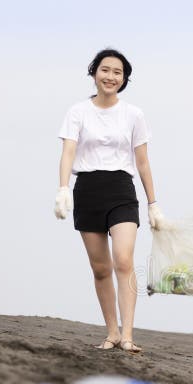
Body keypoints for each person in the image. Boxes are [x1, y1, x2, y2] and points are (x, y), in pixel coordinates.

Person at [53, 48, 165, 354]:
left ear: (124, 79)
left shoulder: (133, 114)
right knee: (100, 268)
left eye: (118, 72)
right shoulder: (78, 112)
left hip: (121, 189)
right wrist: (63, 188)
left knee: (124, 260)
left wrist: (153, 203)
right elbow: (68, 152)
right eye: (105, 70)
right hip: (87, 188)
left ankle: (128, 333)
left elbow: (142, 162)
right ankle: (112, 332)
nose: (111, 77)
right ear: (94, 72)